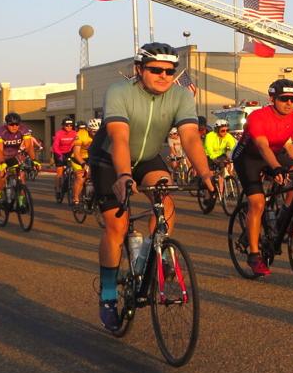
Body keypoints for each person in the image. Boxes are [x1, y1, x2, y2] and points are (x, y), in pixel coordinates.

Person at [86, 43, 215, 331]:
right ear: (139, 69)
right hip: (109, 159)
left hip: (147, 157)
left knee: (164, 198)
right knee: (117, 227)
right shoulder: (119, 91)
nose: (164, 76)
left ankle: (156, 251)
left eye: (169, 71)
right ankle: (108, 295)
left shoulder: (181, 95)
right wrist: (123, 175)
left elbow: (190, 137)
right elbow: (119, 138)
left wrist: (205, 173)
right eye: (156, 70)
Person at [238, 78, 293, 277]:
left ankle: (282, 218)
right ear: (272, 99)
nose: (289, 103)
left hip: (275, 153)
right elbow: (262, 146)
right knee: (257, 203)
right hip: (249, 157)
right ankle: (254, 255)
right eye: (284, 98)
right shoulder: (258, 117)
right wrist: (276, 168)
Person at [0, 112, 39, 207]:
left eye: (17, 124)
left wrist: (34, 160)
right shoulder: (0, 131)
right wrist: (2, 163)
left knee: (21, 176)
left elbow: (29, 147)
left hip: (13, 155)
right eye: (11, 124)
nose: (14, 127)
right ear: (6, 124)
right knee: (2, 175)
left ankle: (21, 201)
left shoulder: (24, 130)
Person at [68, 118, 97, 207]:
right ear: (88, 129)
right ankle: (76, 199)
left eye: (97, 131)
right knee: (80, 177)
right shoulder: (80, 135)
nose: (95, 134)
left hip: (91, 158)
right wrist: (83, 164)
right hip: (78, 158)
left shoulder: (101, 135)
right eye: (93, 131)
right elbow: (76, 153)